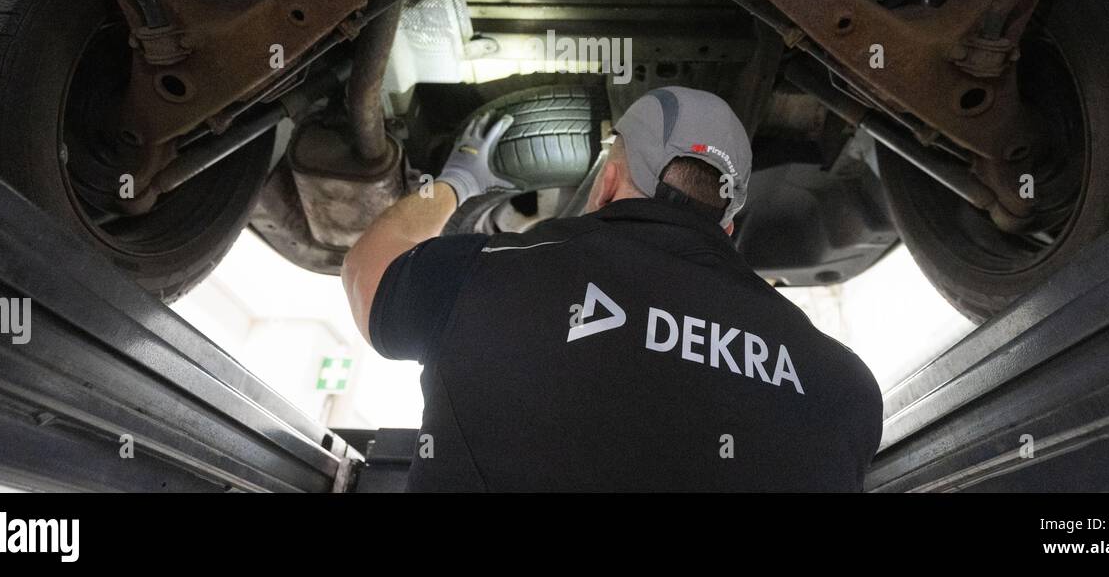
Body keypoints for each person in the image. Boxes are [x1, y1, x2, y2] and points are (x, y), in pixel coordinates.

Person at [342, 86, 883, 491]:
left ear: (606, 184)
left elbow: (367, 276)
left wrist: (455, 182)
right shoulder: (846, 388)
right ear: (728, 224)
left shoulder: (488, 275)